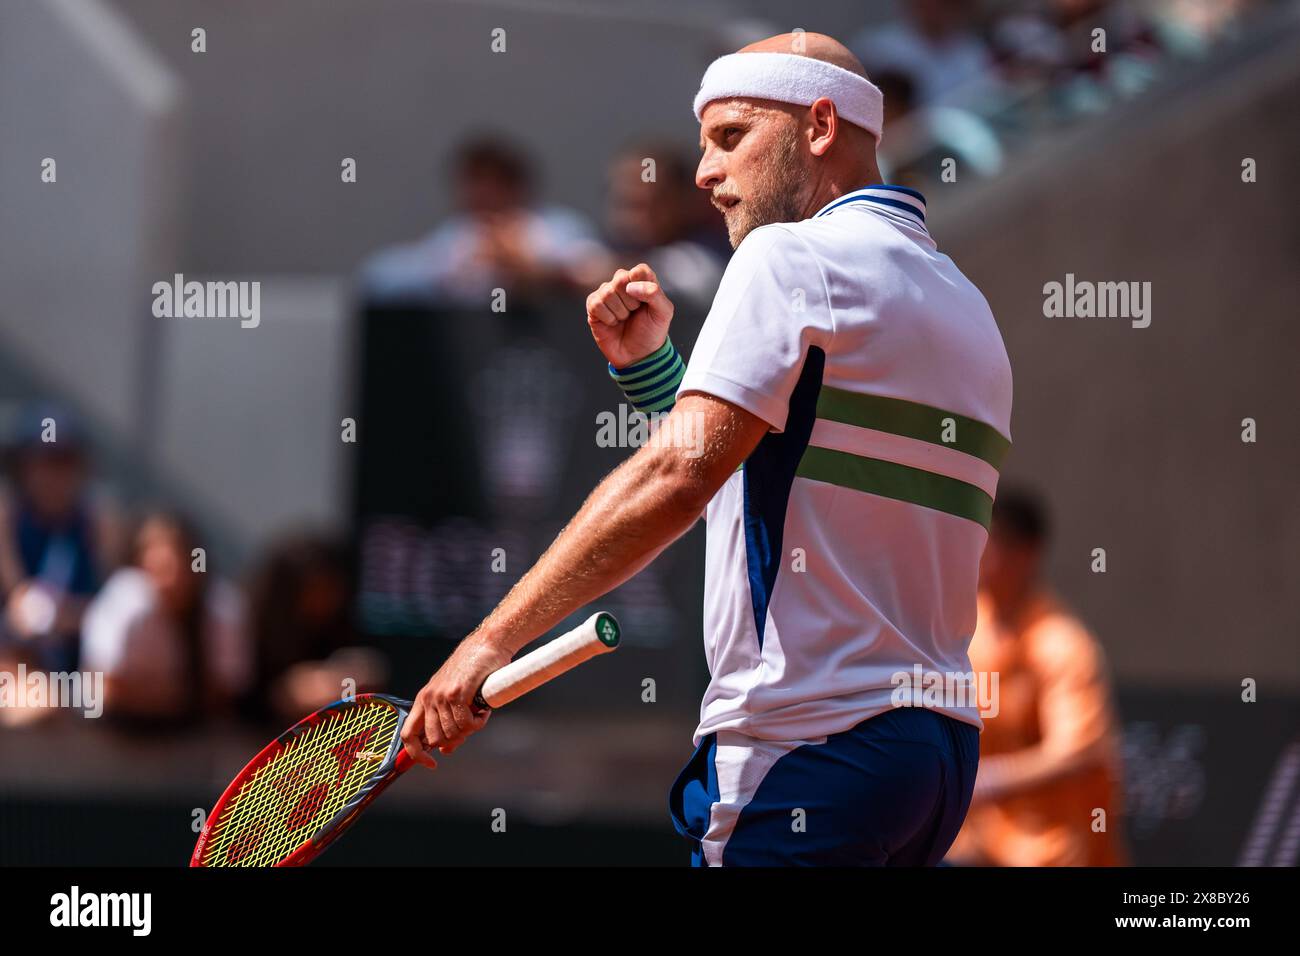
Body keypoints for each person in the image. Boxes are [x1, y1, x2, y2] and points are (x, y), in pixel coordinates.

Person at [399, 32, 1013, 867]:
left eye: (731, 137)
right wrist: (660, 378)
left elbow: (680, 475)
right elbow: (766, 466)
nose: (702, 174)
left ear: (820, 126)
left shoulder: (787, 256)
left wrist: (487, 643)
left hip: (805, 749)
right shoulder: (963, 302)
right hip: (929, 764)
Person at [945, 488, 1128, 866]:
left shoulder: (1064, 645)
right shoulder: (965, 626)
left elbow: (1076, 752)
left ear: (1027, 553)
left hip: (1051, 852)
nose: (974, 555)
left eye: (989, 544)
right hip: (973, 847)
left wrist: (988, 781)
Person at [360, 135, 608, 308]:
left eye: (492, 183)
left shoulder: (557, 227)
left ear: (516, 186)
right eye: (472, 182)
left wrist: (530, 267)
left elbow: (598, 275)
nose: (480, 194)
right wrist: (447, 270)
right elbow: (379, 277)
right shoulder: (456, 235)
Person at [81, 511, 249, 725]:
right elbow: (101, 688)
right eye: (161, 568)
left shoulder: (223, 609)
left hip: (198, 734)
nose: (171, 580)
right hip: (116, 731)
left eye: (180, 565)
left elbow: (226, 690)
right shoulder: (126, 605)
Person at [0, 404, 124, 674]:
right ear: (22, 468)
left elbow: (115, 605)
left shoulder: (99, 523)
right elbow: (16, 597)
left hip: (80, 662)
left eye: (65, 463)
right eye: (44, 463)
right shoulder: (7, 518)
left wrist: (69, 617)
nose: (54, 477)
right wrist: (22, 608)